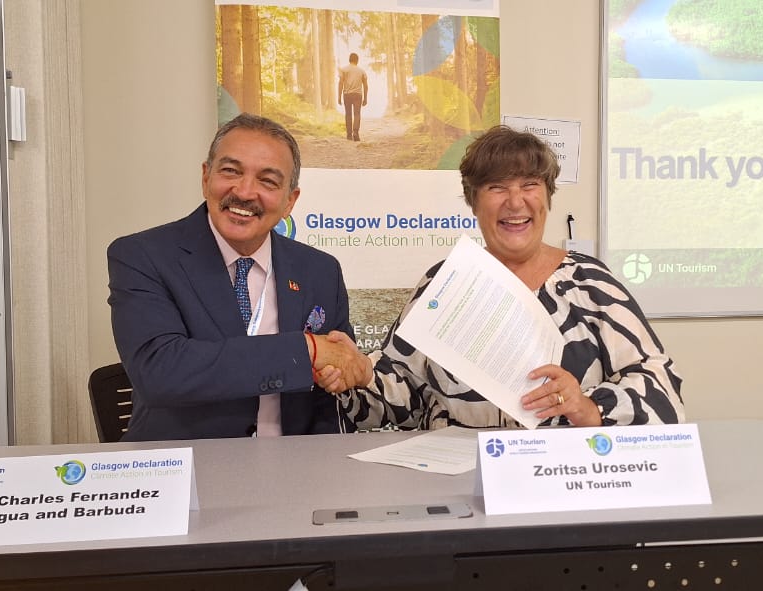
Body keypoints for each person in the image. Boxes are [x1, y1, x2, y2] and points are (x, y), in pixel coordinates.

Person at [320, 126, 683, 429]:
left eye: (529, 185)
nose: (515, 202)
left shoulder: (589, 283)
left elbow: (661, 389)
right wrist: (363, 373)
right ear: (473, 202)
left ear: (547, 197)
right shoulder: (443, 284)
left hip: (567, 485)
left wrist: (588, 407)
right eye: (496, 187)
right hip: (463, 488)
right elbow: (404, 400)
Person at [107, 113, 369, 441]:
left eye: (268, 181)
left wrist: (341, 372)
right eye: (230, 171)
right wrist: (305, 350)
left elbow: (331, 387)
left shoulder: (319, 270)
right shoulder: (143, 256)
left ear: (290, 201)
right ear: (206, 177)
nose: (245, 192)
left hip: (297, 472)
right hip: (186, 471)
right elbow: (161, 371)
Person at [337, 52, 368, 141]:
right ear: (357, 61)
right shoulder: (362, 71)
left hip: (347, 94)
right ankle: (356, 132)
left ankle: (349, 135)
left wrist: (339, 96)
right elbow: (365, 85)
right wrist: (365, 98)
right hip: (358, 95)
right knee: (357, 114)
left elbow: (340, 83)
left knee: (348, 114)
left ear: (349, 60)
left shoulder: (344, 70)